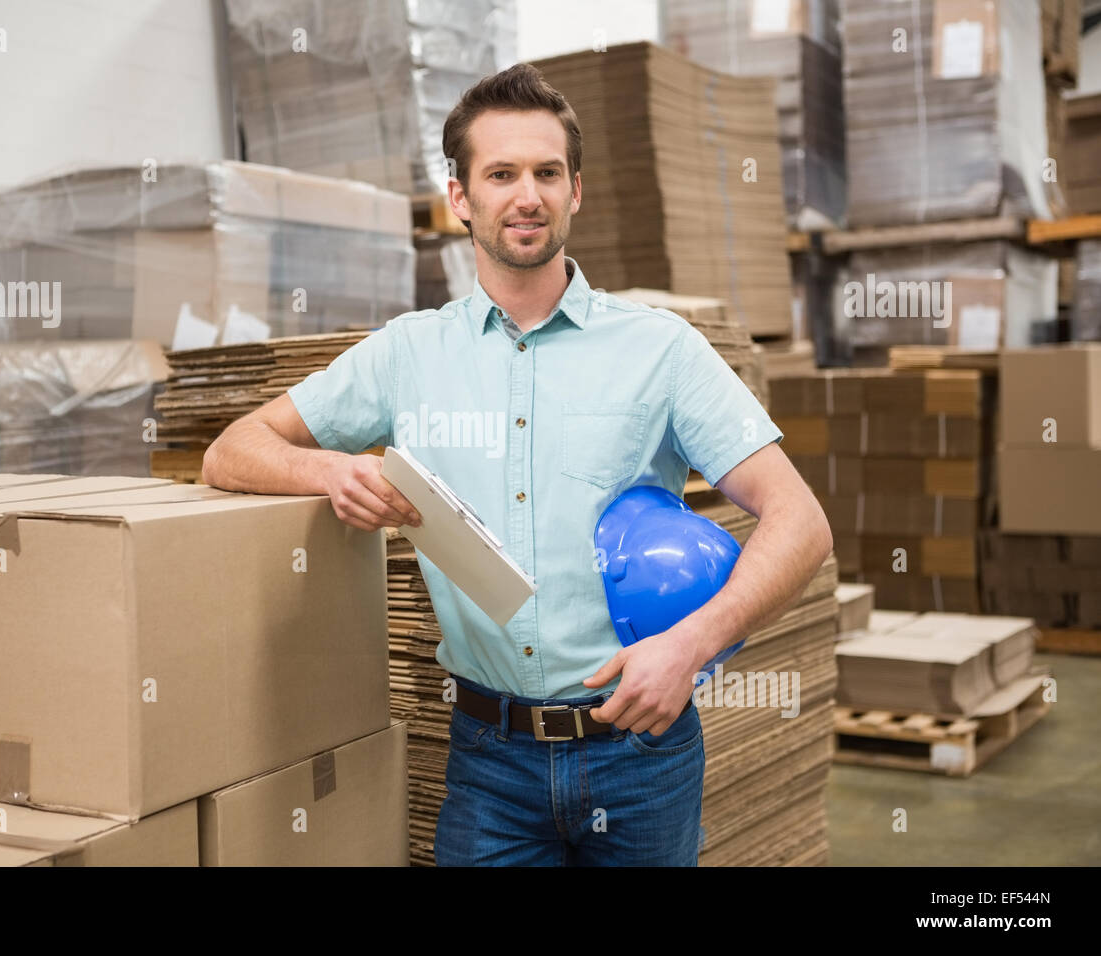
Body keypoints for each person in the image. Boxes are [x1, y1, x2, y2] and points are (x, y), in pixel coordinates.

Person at [201, 63, 834, 866]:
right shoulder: (407, 354)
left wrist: (694, 644)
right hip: (489, 761)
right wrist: (327, 472)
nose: (525, 195)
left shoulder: (662, 349)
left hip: (639, 750)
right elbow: (232, 450)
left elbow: (801, 521)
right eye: (500, 173)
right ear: (462, 198)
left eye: (545, 173)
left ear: (577, 190)